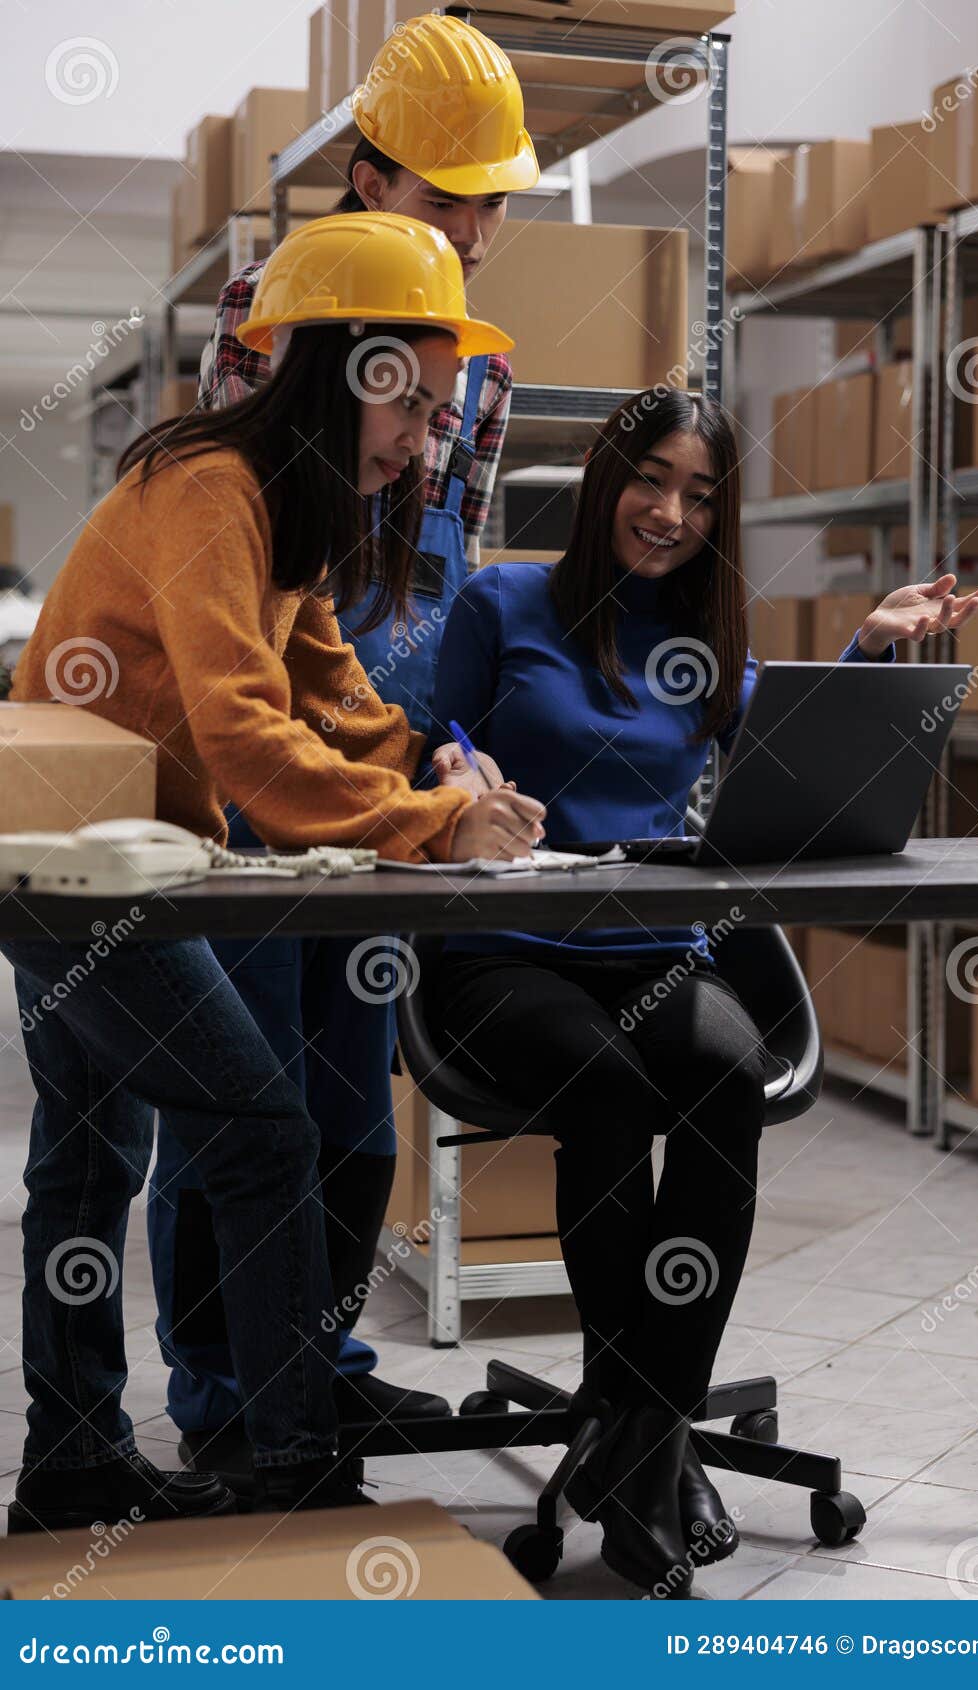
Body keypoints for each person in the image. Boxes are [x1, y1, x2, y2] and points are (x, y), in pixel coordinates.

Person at [1, 212, 544, 1532]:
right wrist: (424, 827)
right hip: (71, 862)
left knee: (86, 1163)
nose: (422, 437)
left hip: (107, 854)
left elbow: (331, 691)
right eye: (408, 403)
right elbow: (246, 734)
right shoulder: (207, 489)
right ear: (341, 371)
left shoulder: (281, 514)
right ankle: (293, 1463)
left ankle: (70, 1460)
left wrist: (442, 775)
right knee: (259, 1129)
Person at [425, 387, 978, 1594]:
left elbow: (785, 754)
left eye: (698, 495)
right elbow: (424, 744)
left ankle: (642, 1430)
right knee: (610, 1087)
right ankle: (653, 1445)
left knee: (725, 1075)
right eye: (652, 481)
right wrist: (457, 781)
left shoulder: (701, 630)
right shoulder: (501, 601)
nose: (670, 512)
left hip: (654, 952)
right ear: (603, 477)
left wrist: (869, 649)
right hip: (507, 952)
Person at [150, 12, 539, 1477]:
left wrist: (441, 755)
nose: (478, 231)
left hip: (384, 751)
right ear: (370, 179)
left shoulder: (475, 365)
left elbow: (452, 561)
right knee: (236, 1092)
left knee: (350, 1096)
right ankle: (220, 1390)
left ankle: (322, 1366)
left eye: (493, 203)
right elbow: (256, 577)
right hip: (261, 763)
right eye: (448, 201)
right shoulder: (279, 315)